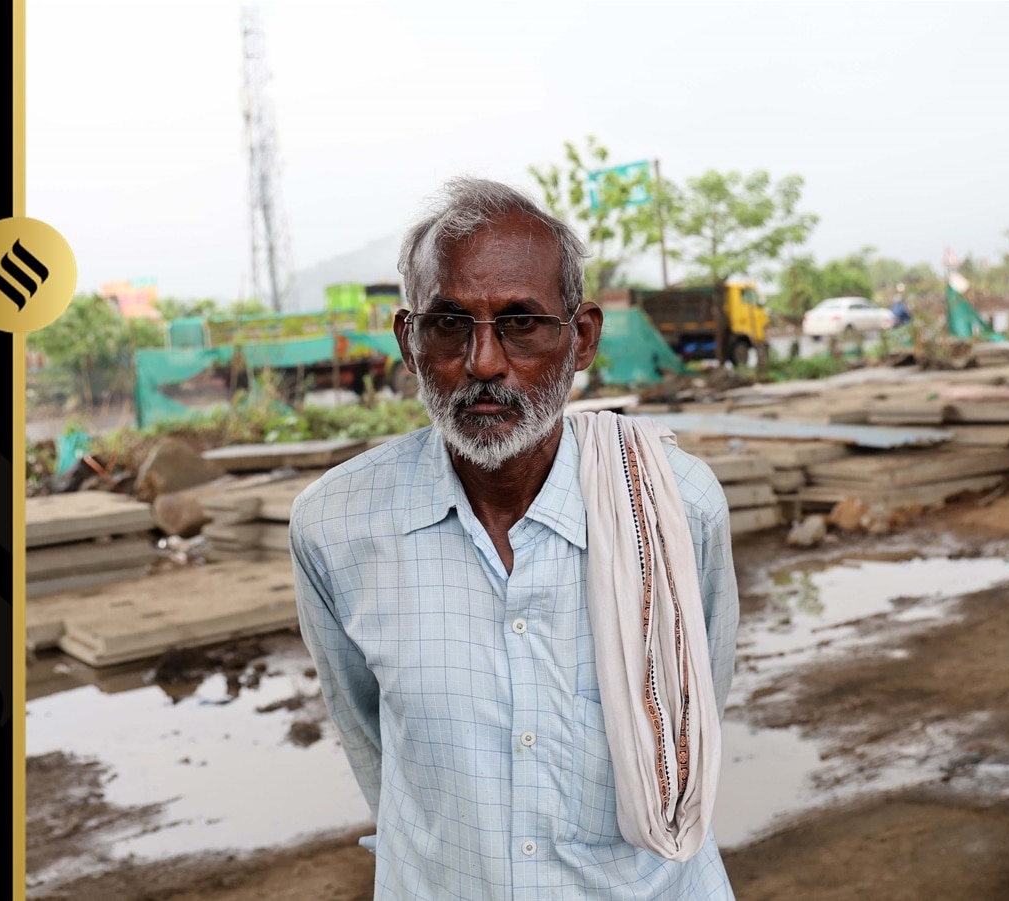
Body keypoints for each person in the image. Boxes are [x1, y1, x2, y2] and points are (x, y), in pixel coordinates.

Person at [289, 176, 740, 899]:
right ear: (409, 341)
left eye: (523, 323)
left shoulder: (674, 508)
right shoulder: (337, 526)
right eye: (449, 324)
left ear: (581, 337)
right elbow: (371, 739)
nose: (485, 363)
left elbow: (694, 710)